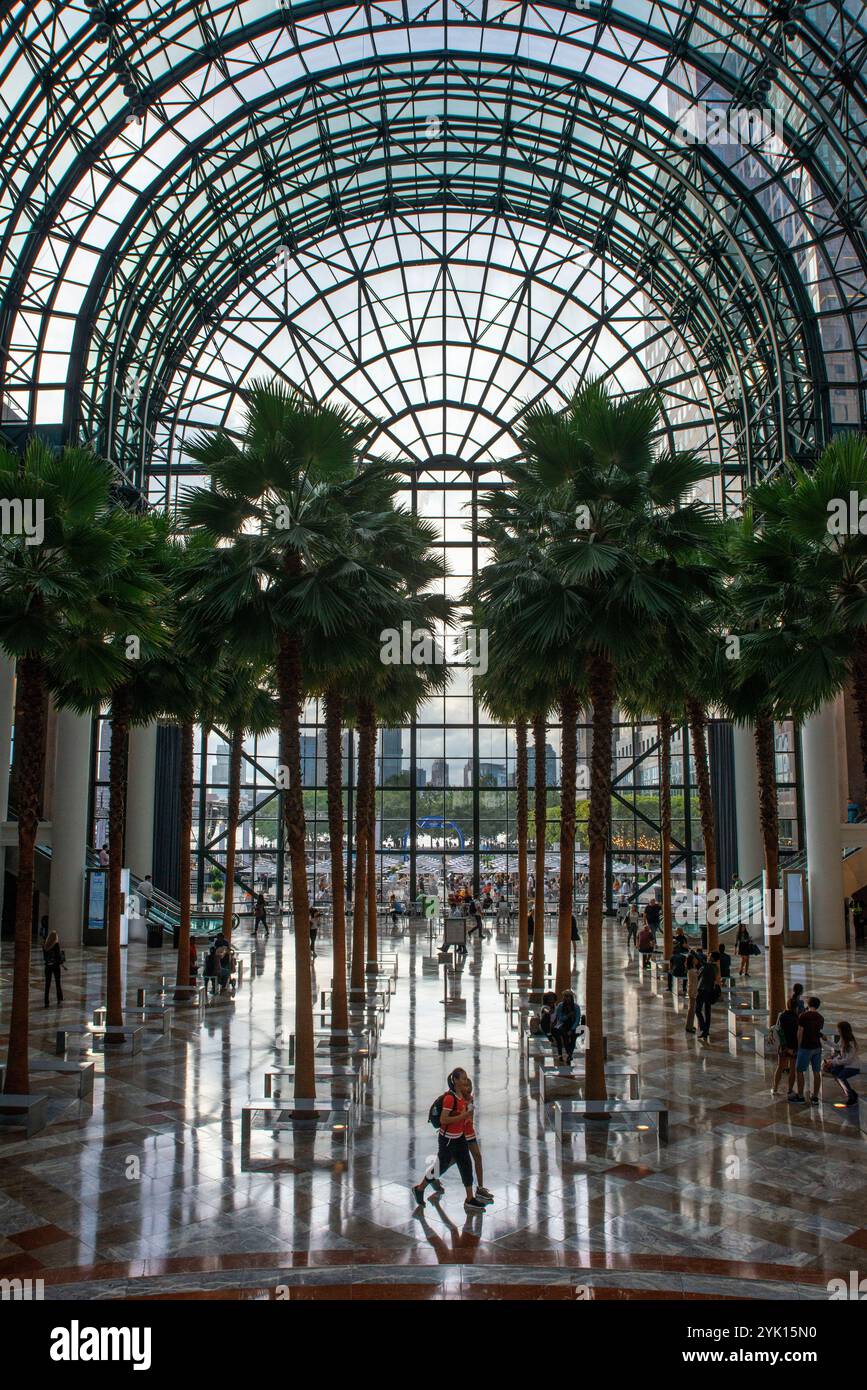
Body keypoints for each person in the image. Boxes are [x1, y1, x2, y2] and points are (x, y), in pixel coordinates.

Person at [412, 1069, 487, 1211]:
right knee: (441, 1167)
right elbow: (444, 1119)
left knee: (466, 1165)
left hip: (459, 1138)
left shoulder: (462, 1097)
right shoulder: (450, 1098)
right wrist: (463, 1116)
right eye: (463, 1079)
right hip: (447, 1140)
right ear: (456, 1081)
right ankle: (420, 1188)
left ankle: (470, 1199)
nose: (466, 1081)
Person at [462, 1076, 494, 1204]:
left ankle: (480, 1188)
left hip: (469, 1133)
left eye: (470, 1086)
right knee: (449, 1161)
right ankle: (431, 1179)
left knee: (477, 1157)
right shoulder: (457, 1099)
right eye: (466, 1086)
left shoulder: (469, 1098)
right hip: (461, 1135)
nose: (469, 1088)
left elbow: (470, 1116)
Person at [790, 996, 825, 1104]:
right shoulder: (820, 1018)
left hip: (805, 1047)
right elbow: (817, 1031)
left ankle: (800, 1096)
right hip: (817, 1047)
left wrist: (799, 1046)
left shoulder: (803, 1016)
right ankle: (815, 1097)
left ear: (808, 1004)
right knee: (816, 1071)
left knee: (800, 1071)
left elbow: (800, 1032)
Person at [823, 1022, 860, 1106]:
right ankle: (851, 1092)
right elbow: (837, 1047)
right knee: (834, 1071)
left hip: (853, 1066)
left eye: (839, 1030)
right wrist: (826, 1040)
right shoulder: (843, 1039)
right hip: (845, 1064)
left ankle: (852, 1098)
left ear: (844, 1031)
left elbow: (848, 1060)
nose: (838, 1031)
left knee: (841, 1077)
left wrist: (833, 1062)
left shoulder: (851, 1043)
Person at [771, 999, 799, 1097]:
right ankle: (790, 1090)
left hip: (783, 1045)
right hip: (794, 1046)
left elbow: (777, 1029)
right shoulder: (798, 1018)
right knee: (792, 1069)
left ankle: (775, 1088)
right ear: (796, 1007)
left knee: (780, 1066)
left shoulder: (782, 1016)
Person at [695, 950, 720, 1044]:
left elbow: (700, 959)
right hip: (709, 990)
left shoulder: (709, 965)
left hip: (703, 990)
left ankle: (704, 1028)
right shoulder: (715, 967)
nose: (708, 956)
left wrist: (692, 951)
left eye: (709, 955)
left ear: (712, 957)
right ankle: (706, 1030)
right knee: (707, 1011)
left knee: (698, 1010)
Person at [551, 990, 581, 1067]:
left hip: (573, 1026)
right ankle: (569, 1055)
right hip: (563, 1026)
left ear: (571, 997)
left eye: (568, 996)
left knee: (573, 1039)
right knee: (566, 1039)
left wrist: (572, 1029)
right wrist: (568, 1016)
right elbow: (560, 1018)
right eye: (565, 996)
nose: (566, 998)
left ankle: (569, 1055)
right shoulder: (560, 1006)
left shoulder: (576, 1007)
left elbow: (577, 1019)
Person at [43, 930, 64, 1007]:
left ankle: (46, 1001)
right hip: (55, 966)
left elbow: (44, 958)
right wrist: (61, 963)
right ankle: (59, 999)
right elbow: (58, 956)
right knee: (57, 983)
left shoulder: (45, 945)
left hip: (47, 967)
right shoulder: (56, 944)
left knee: (47, 984)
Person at [684, 951, 700, 1034]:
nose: (696, 960)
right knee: (691, 1009)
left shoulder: (693, 970)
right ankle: (688, 1026)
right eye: (694, 959)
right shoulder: (692, 971)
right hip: (693, 991)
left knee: (692, 1009)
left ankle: (689, 1025)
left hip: (693, 991)